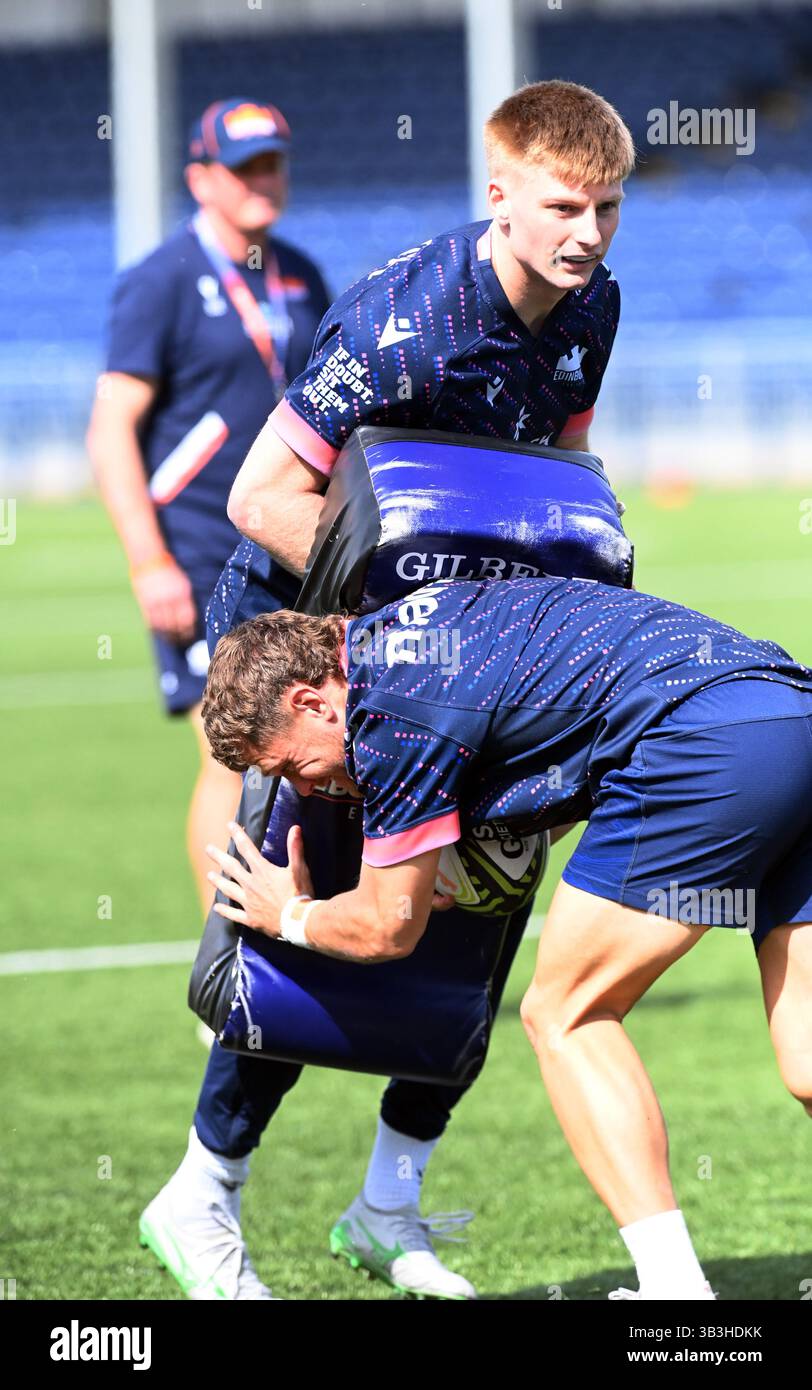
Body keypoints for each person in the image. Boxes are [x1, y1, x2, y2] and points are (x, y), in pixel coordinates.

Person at [142, 79, 636, 1301]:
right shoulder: (400, 320)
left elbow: (554, 479)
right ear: (499, 195)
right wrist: (413, 616)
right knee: (307, 926)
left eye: (607, 209)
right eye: (564, 205)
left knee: (483, 908)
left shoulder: (592, 305)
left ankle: (387, 1206)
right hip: (315, 643)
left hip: (458, 642)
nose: (586, 233)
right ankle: (201, 1196)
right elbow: (261, 500)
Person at [201, 575, 812, 1302]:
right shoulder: (410, 631)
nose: (312, 789)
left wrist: (288, 914)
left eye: (294, 766)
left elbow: (388, 926)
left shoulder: (386, 709)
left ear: (311, 701)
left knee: (565, 1014)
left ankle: (675, 1291)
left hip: (703, 746)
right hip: (791, 712)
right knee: (807, 1058)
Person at [86, 98, 330, 913]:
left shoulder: (299, 274)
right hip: (198, 552)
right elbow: (110, 430)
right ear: (200, 179)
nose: (266, 179)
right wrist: (149, 561)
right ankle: (227, 959)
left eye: (275, 162)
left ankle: (311, 934)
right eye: (246, 166)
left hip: (294, 542)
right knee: (231, 753)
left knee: (315, 740)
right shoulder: (159, 282)